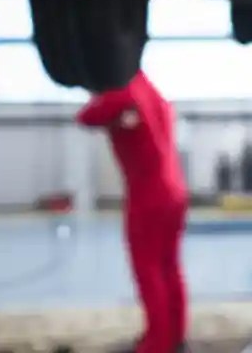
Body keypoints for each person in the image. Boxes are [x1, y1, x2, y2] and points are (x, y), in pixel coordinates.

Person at [77, 71, 190, 353]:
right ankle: (175, 336)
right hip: (175, 188)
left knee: (147, 269)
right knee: (169, 265)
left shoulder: (119, 89)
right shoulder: (147, 86)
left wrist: (97, 93)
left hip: (148, 194)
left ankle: (158, 344)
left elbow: (87, 117)